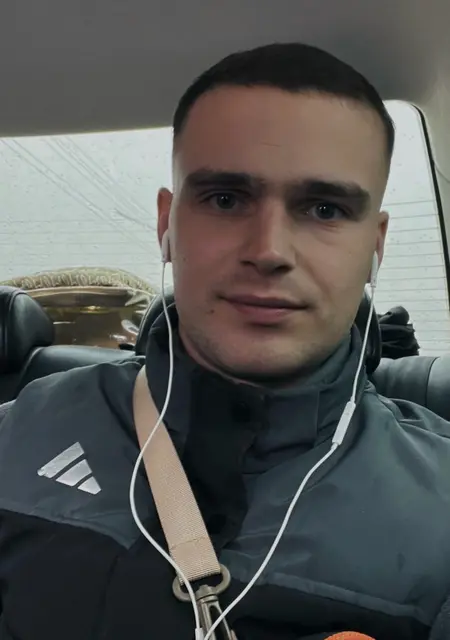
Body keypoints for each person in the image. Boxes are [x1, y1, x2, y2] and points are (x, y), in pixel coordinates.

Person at [0, 42, 449, 640]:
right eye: (226, 199)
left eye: (324, 208)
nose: (269, 251)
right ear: (167, 223)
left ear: (376, 244)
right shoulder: (18, 434)